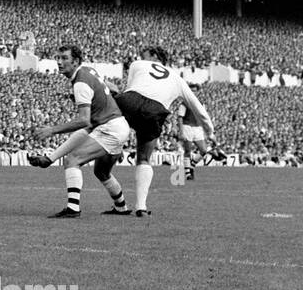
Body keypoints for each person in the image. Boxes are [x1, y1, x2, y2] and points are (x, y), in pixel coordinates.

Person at [28, 44, 133, 219]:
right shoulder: (88, 70)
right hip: (116, 126)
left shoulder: (80, 83)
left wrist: (52, 130)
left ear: (75, 61)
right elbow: (113, 89)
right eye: (58, 58)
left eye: (64, 58)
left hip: (109, 128)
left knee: (72, 160)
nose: (59, 62)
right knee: (102, 172)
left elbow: (84, 120)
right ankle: (121, 207)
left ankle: (73, 209)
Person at [115, 45, 215, 215]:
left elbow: (129, 89)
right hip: (155, 111)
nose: (141, 56)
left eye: (144, 54)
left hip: (130, 100)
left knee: (108, 123)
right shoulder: (178, 79)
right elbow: (198, 108)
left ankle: (113, 148)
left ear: (154, 56)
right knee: (144, 159)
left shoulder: (137, 64)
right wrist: (210, 132)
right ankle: (141, 207)